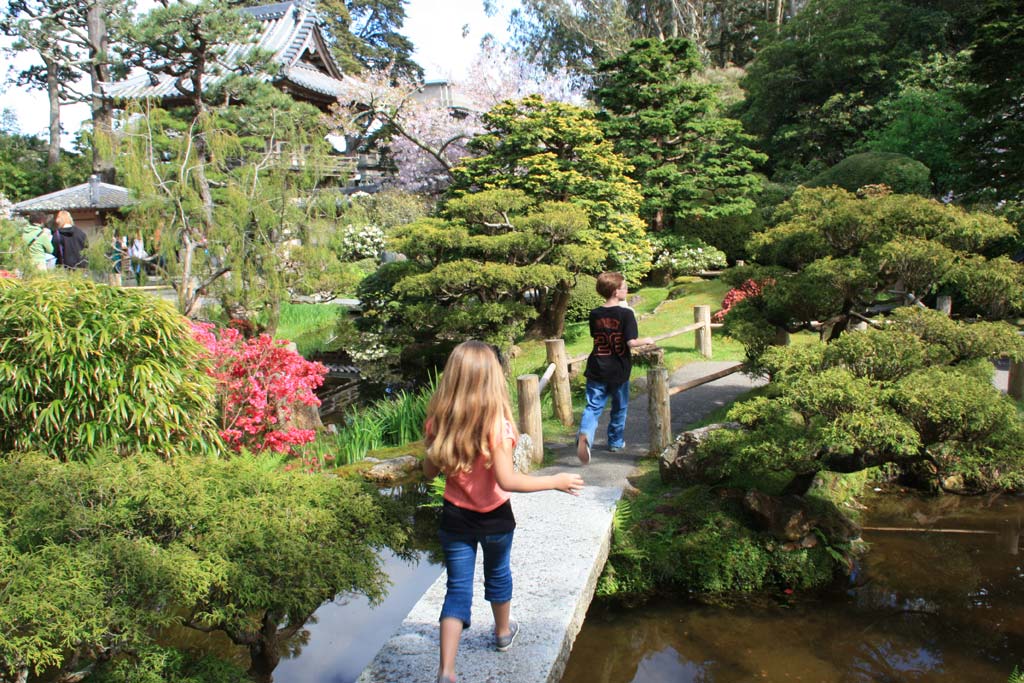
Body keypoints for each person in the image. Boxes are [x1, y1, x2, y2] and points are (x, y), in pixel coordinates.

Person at [422, 341, 585, 683]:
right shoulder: (498, 426)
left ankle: (446, 670)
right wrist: (554, 480)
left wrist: (434, 447)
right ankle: (501, 633)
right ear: (492, 378)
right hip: (495, 517)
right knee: (498, 574)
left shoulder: (439, 421)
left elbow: (429, 472)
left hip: (454, 517)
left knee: (457, 590)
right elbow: (507, 481)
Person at [576, 272, 654, 464]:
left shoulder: (594, 314)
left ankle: (585, 434)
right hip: (618, 369)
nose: (626, 290)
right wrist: (648, 340)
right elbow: (631, 342)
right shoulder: (626, 314)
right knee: (619, 407)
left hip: (596, 366)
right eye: (624, 287)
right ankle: (616, 442)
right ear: (615, 291)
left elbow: (597, 335)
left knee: (593, 406)